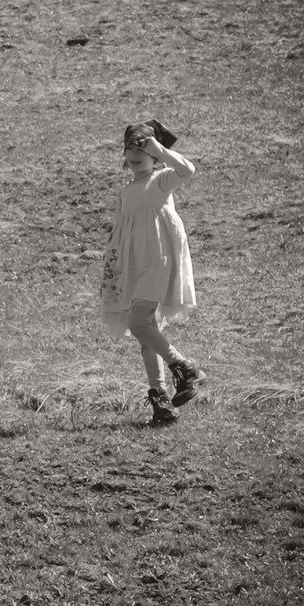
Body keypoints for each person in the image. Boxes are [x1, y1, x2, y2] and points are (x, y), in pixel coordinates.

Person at [99, 120, 204, 425]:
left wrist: (159, 148)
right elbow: (118, 234)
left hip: (158, 260)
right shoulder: (125, 192)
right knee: (146, 331)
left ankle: (184, 367)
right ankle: (161, 400)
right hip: (133, 266)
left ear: (155, 154)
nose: (135, 153)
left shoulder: (161, 181)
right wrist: (111, 274)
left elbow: (188, 169)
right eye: (131, 146)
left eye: (142, 147)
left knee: (139, 322)